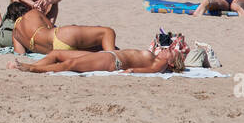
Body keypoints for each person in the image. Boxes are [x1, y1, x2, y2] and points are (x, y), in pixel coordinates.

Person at [15, 30, 189, 74]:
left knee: (70, 64)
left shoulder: (160, 64)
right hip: (108, 55)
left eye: (171, 53)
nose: (168, 50)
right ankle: (32, 67)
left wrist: (131, 71)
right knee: (56, 54)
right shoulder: (158, 57)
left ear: (171, 62)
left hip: (113, 62)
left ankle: (33, 69)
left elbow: (146, 71)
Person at [8, 1, 115, 55]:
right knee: (107, 32)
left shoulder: (15, 34)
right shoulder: (33, 13)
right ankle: (114, 59)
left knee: (95, 48)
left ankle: (108, 55)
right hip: (60, 36)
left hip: (57, 51)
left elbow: (20, 53)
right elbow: (50, 27)